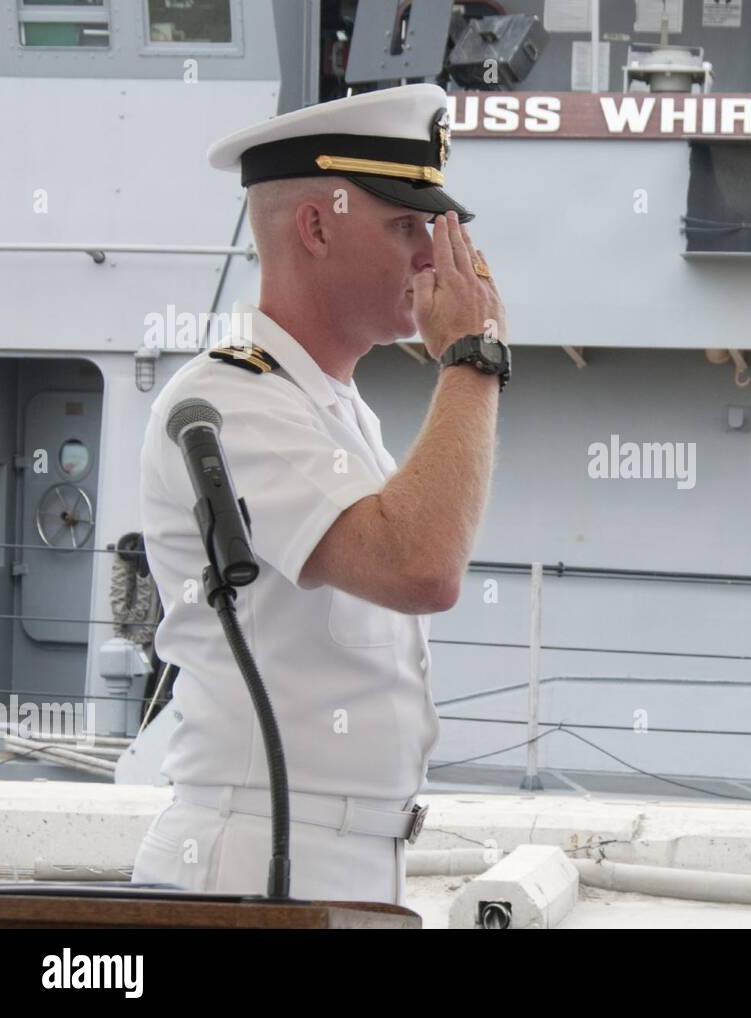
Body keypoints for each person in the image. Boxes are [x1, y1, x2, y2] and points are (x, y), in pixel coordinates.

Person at [131, 84, 510, 905]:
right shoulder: (232, 401)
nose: (433, 255)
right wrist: (473, 357)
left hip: (335, 862)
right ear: (315, 226)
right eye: (407, 227)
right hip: (260, 863)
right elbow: (421, 567)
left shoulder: (333, 410)